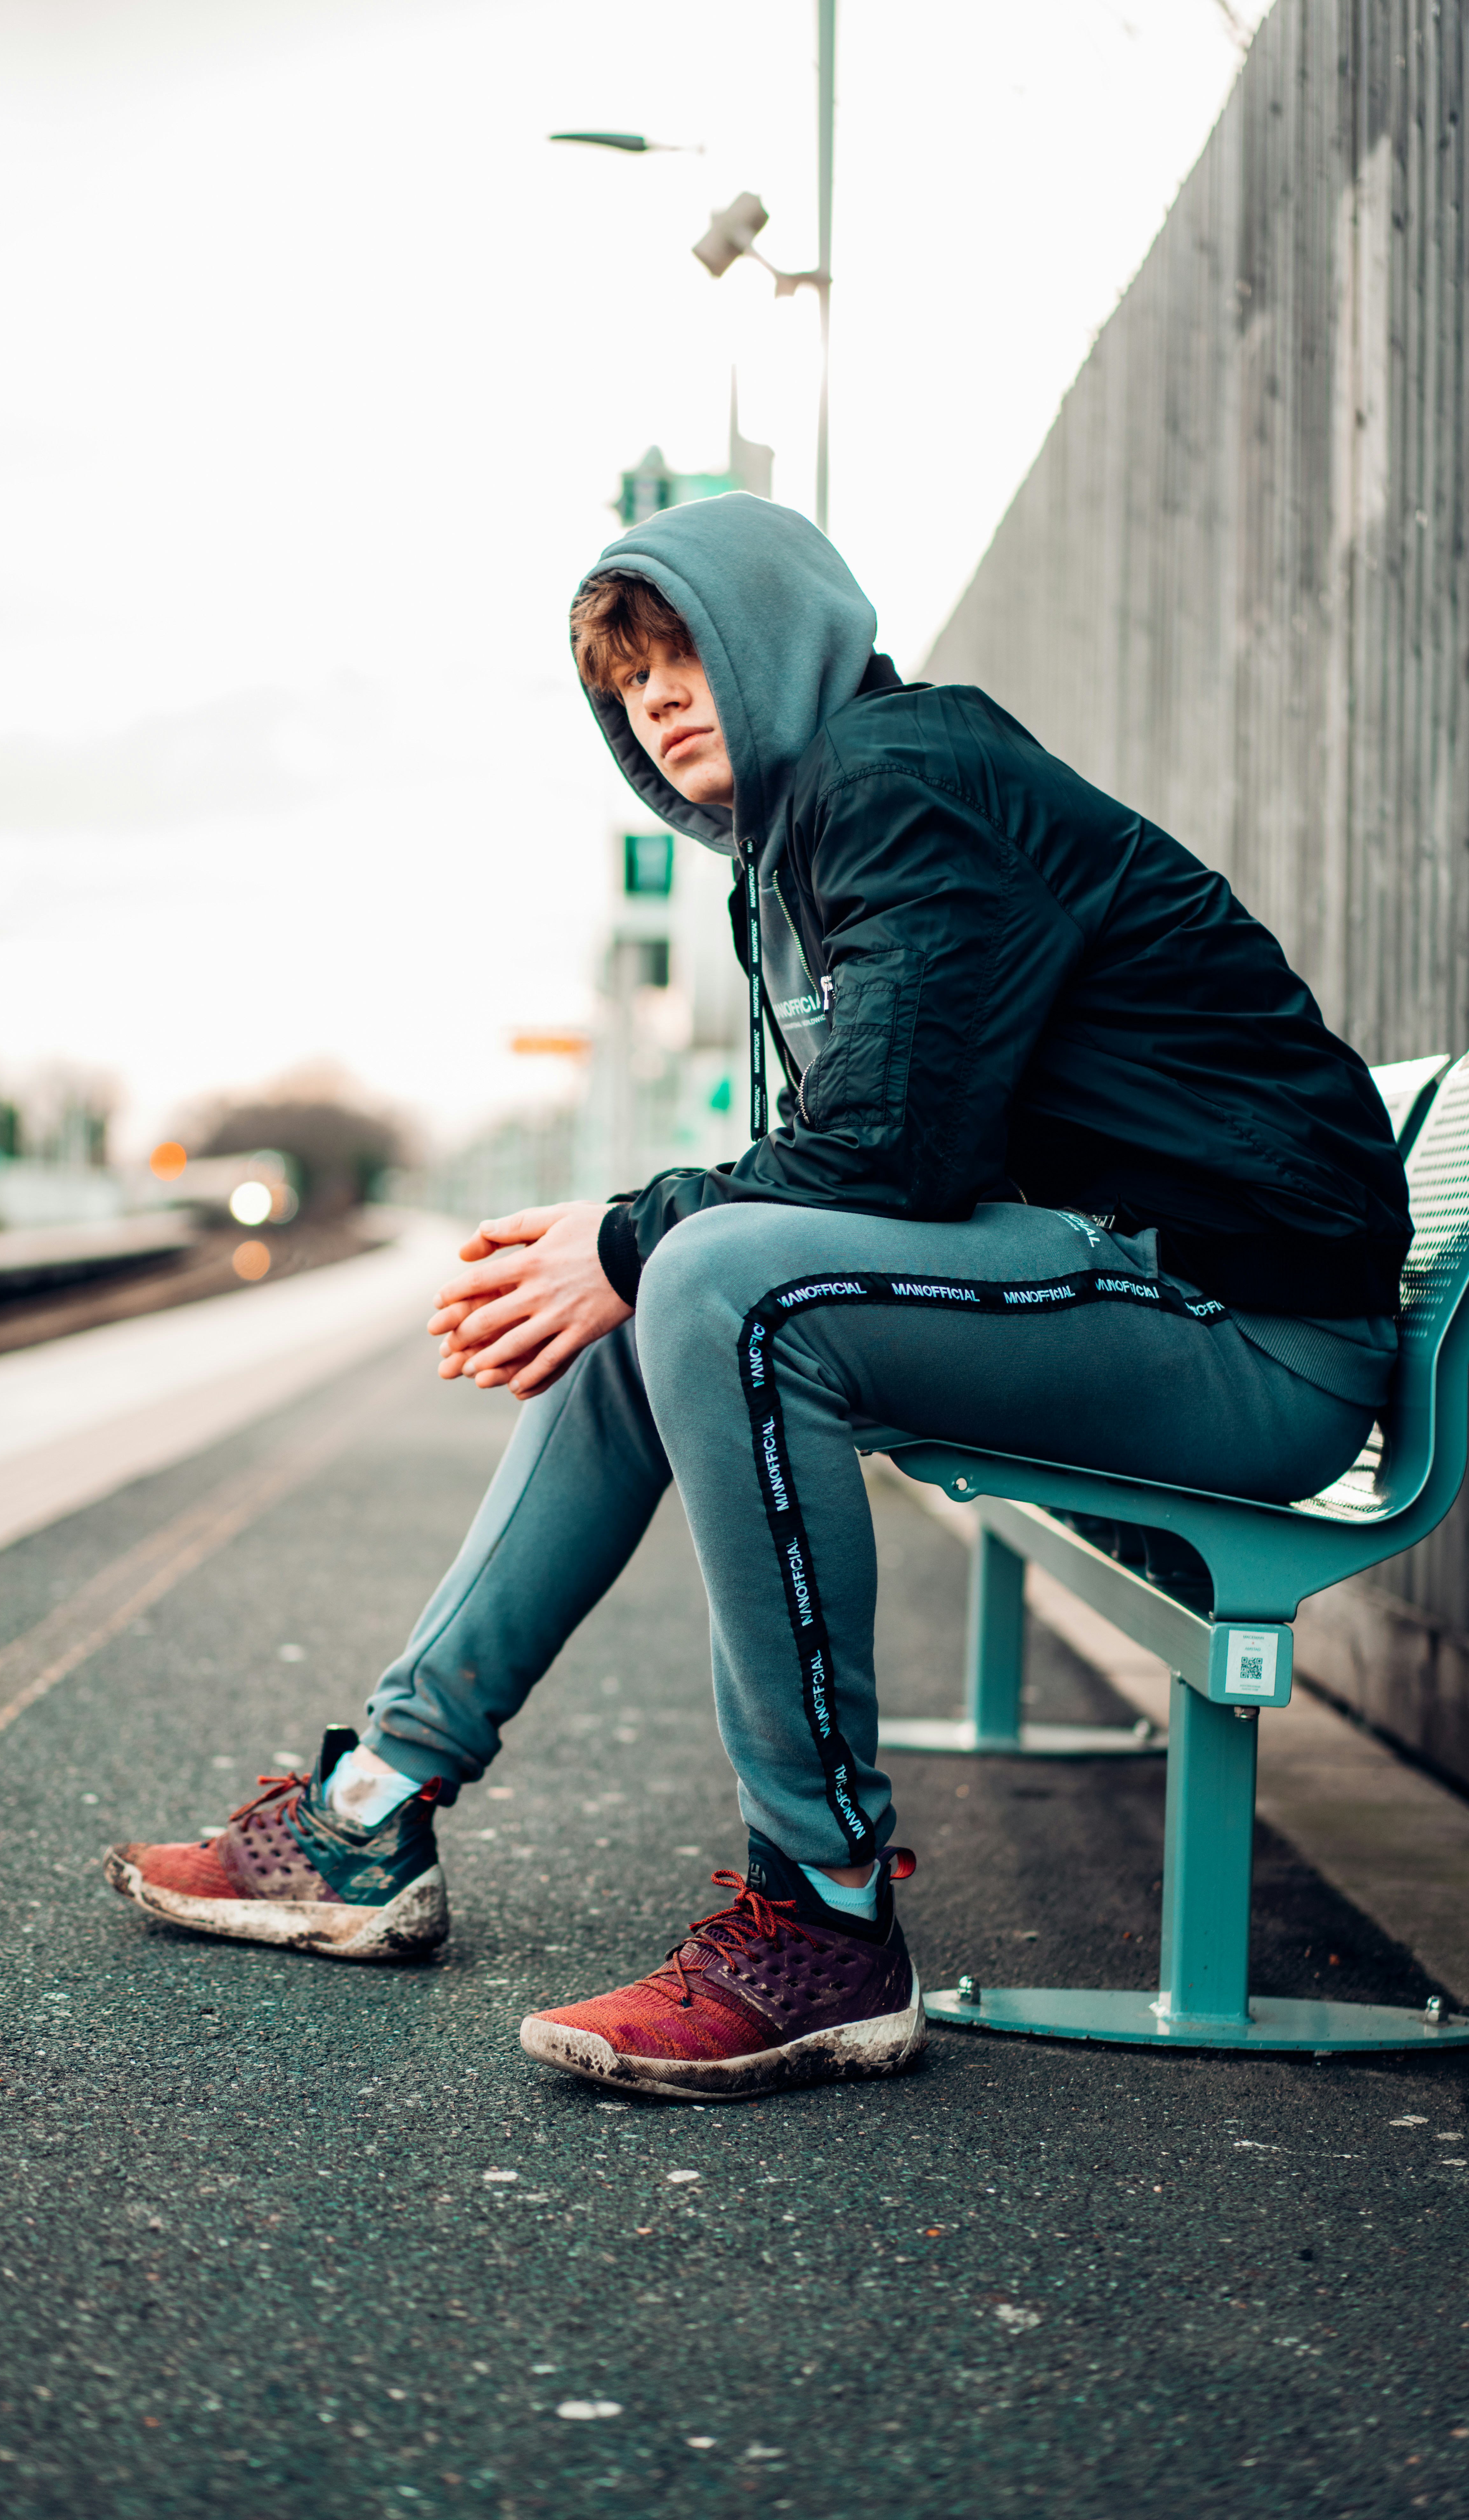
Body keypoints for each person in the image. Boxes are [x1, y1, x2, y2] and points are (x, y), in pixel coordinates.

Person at [105, 495, 1409, 2101]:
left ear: (783, 638)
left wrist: (634, 1231)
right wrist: (627, 1252)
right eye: (627, 679)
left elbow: (888, 1149)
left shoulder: (902, 775)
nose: (654, 697)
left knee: (704, 1274)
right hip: (1140, 1288)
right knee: (661, 1294)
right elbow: (869, 1150)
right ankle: (369, 1808)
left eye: (685, 653)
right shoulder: (806, 838)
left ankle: (828, 1921)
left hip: (1255, 1336)